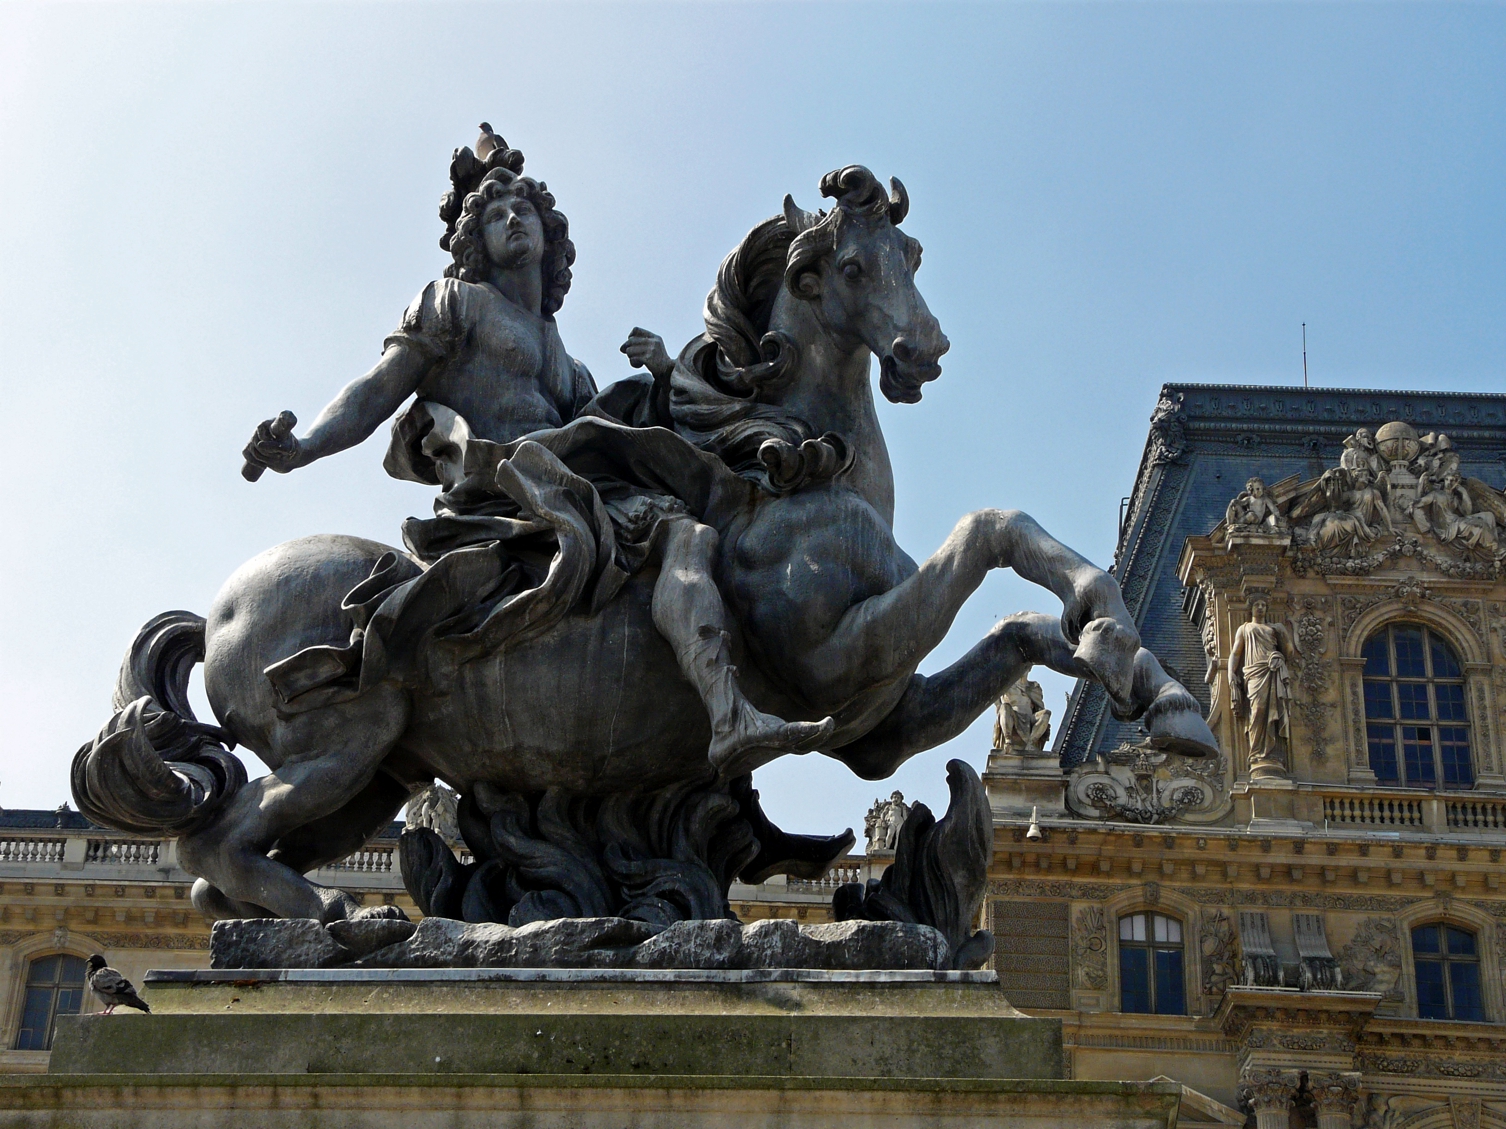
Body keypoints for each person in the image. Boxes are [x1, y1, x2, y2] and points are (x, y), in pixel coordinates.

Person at [242, 127, 831, 774]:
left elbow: (611, 435)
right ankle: (728, 713)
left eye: (523, 209)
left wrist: (666, 371)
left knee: (689, 508)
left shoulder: (570, 365)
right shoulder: (452, 302)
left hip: (566, 487)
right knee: (676, 531)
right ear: (477, 243)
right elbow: (374, 391)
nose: (512, 218)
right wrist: (302, 447)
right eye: (495, 214)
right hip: (499, 491)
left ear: (551, 239)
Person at [1227, 598, 1297, 777]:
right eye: (1257, 604)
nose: (1260, 607)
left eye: (1263, 605)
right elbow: (1235, 653)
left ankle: (1270, 754)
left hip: (1272, 671)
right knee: (1257, 710)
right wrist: (1231, 673)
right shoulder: (1245, 628)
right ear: (1251, 608)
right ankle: (1257, 754)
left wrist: (1283, 637)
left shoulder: (1274, 629)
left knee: (1272, 711)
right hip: (1253, 673)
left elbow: (1289, 652)